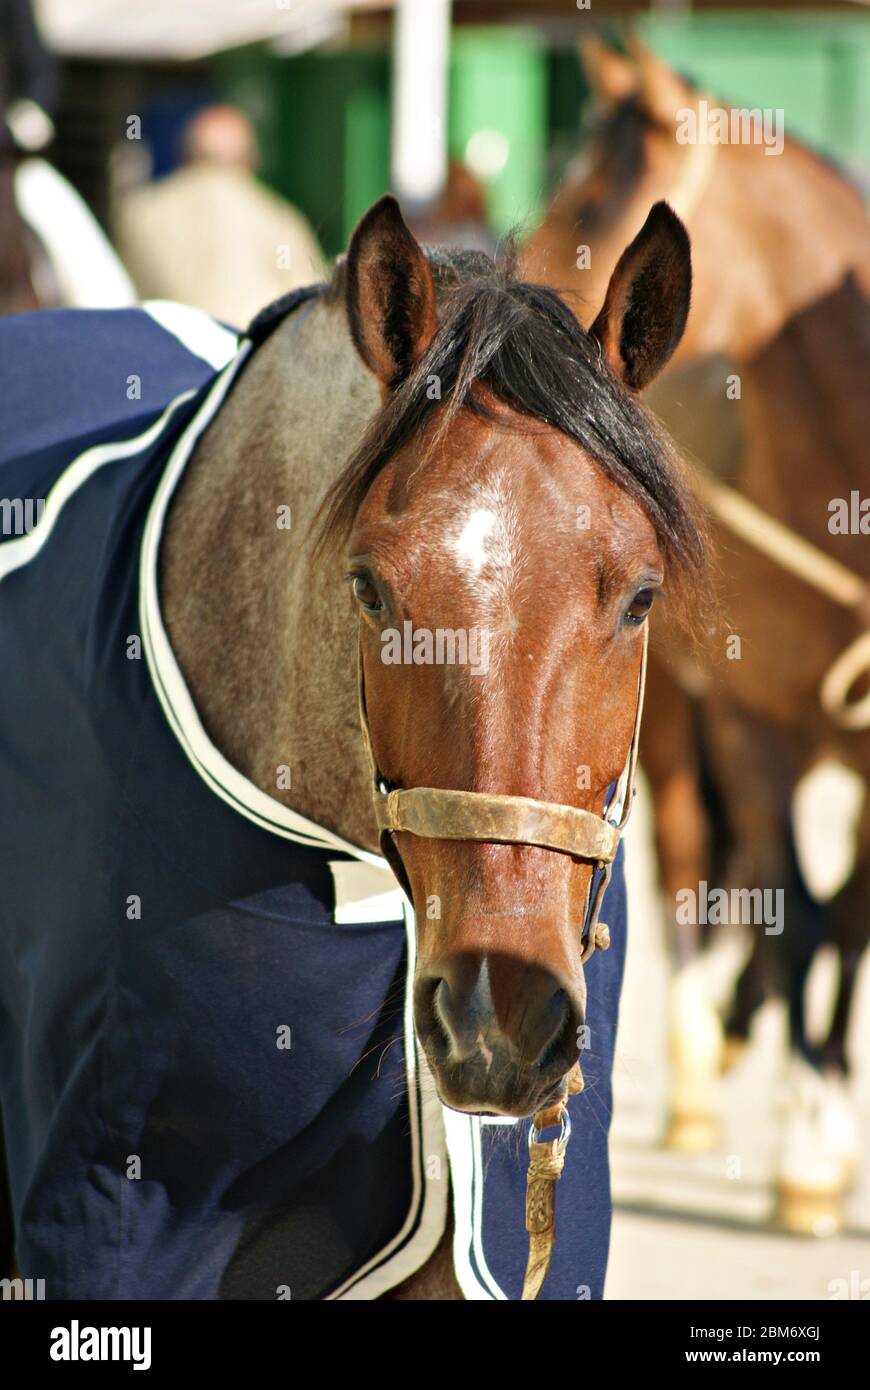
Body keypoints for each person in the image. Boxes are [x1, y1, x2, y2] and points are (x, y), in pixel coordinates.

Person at [115, 104, 326, 327]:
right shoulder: (278, 217)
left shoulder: (142, 213)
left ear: (185, 158)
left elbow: (123, 295)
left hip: (172, 350)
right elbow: (308, 304)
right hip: (253, 351)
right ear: (251, 160)